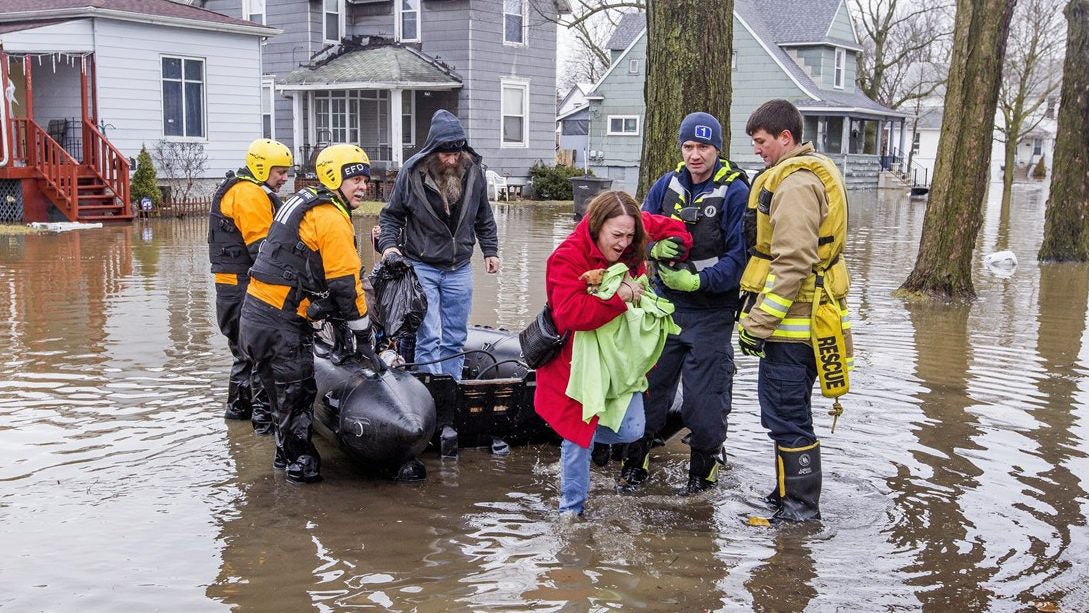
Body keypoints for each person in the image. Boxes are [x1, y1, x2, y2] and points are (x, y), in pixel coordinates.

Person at [534, 190, 691, 519]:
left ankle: (583, 440)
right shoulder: (566, 257)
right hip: (575, 363)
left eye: (630, 236)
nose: (623, 243)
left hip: (618, 359)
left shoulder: (632, 231)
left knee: (632, 430)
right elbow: (571, 315)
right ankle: (570, 515)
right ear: (595, 227)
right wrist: (620, 297)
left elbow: (673, 228)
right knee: (578, 439)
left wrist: (674, 247)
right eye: (616, 235)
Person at [617, 112, 751, 495]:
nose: (695, 155)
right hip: (664, 310)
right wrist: (652, 248)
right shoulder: (665, 185)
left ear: (717, 149)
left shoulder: (736, 191)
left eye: (703, 147)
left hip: (711, 314)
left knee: (705, 404)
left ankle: (702, 476)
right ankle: (635, 463)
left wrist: (697, 280)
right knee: (648, 390)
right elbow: (636, 233)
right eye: (689, 146)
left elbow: (740, 259)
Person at [738, 99, 853, 522]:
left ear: (786, 138)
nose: (757, 150)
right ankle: (785, 494)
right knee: (786, 414)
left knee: (787, 416)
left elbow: (793, 262)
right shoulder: (803, 175)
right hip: (803, 326)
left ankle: (800, 512)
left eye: (762, 141)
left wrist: (758, 324)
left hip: (791, 330)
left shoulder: (796, 185)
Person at [240, 144, 380, 484]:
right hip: (279, 324)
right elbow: (346, 285)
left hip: (255, 316)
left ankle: (282, 468)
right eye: (355, 180)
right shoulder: (331, 217)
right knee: (297, 398)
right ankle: (301, 487)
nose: (363, 186)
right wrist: (364, 338)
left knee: (282, 405)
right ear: (335, 178)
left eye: (365, 180)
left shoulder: (302, 202)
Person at [377, 110, 500, 380]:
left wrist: (490, 250)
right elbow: (391, 217)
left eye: (456, 154)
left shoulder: (474, 173)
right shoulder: (410, 174)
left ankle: (451, 392)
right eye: (446, 154)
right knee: (429, 337)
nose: (452, 160)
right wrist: (388, 246)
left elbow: (484, 216)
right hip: (423, 266)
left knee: (455, 338)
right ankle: (431, 397)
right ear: (433, 151)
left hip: (460, 268)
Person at [209, 138, 292, 434]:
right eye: (280, 171)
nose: (285, 178)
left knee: (244, 355)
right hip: (242, 287)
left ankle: (238, 417)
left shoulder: (240, 188)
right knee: (257, 353)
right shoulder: (249, 194)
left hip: (230, 286)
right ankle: (261, 423)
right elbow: (263, 250)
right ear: (261, 167)